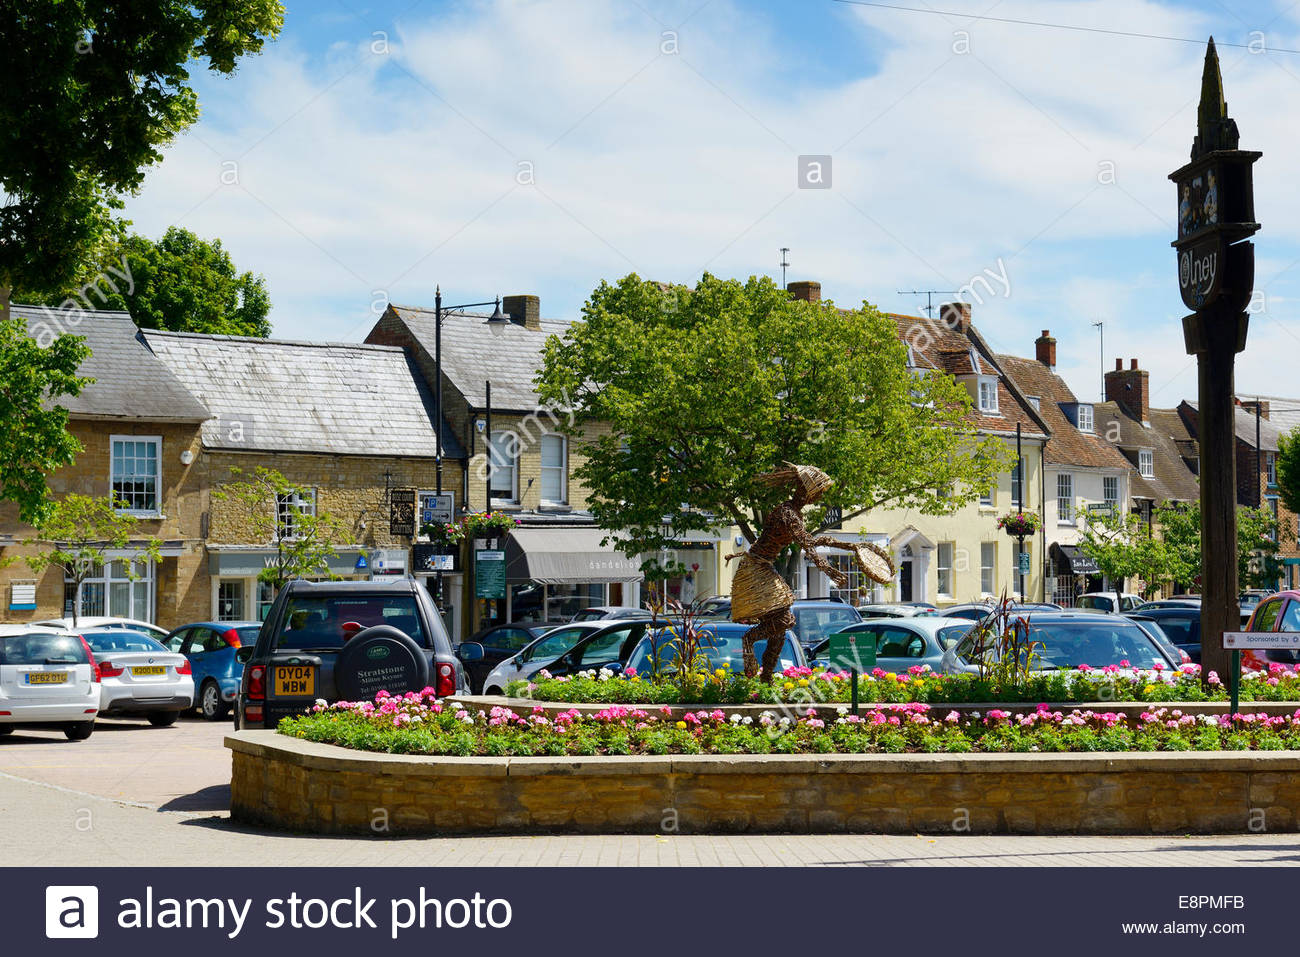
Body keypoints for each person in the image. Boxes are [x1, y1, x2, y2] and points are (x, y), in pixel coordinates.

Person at [727, 463, 894, 681]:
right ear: (808, 490)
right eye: (818, 492)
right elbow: (806, 543)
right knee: (785, 617)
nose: (818, 497)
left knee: (779, 630)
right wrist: (826, 567)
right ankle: (749, 640)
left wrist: (848, 546)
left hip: (762, 564)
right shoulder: (788, 514)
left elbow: (809, 540)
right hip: (756, 567)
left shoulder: (793, 513)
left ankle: (765, 679)